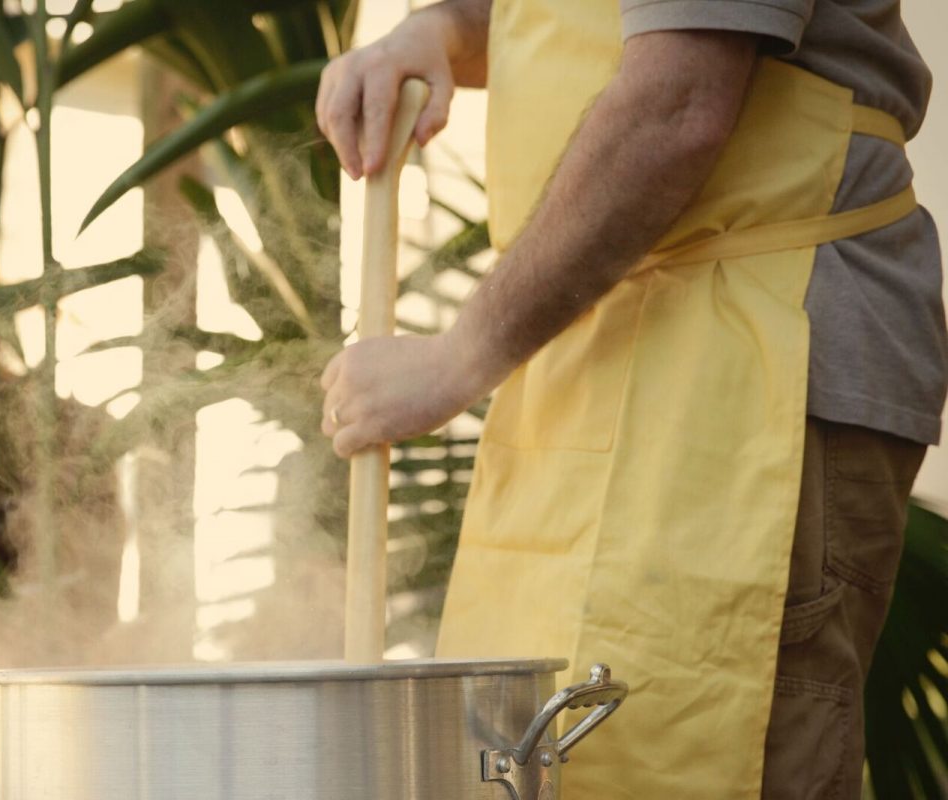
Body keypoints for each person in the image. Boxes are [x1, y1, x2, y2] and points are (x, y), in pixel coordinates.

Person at [316, 1, 947, 797]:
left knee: (695, 752)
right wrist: (438, 32)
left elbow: (679, 104)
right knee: (547, 760)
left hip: (750, 352)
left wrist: (455, 360)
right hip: (586, 356)